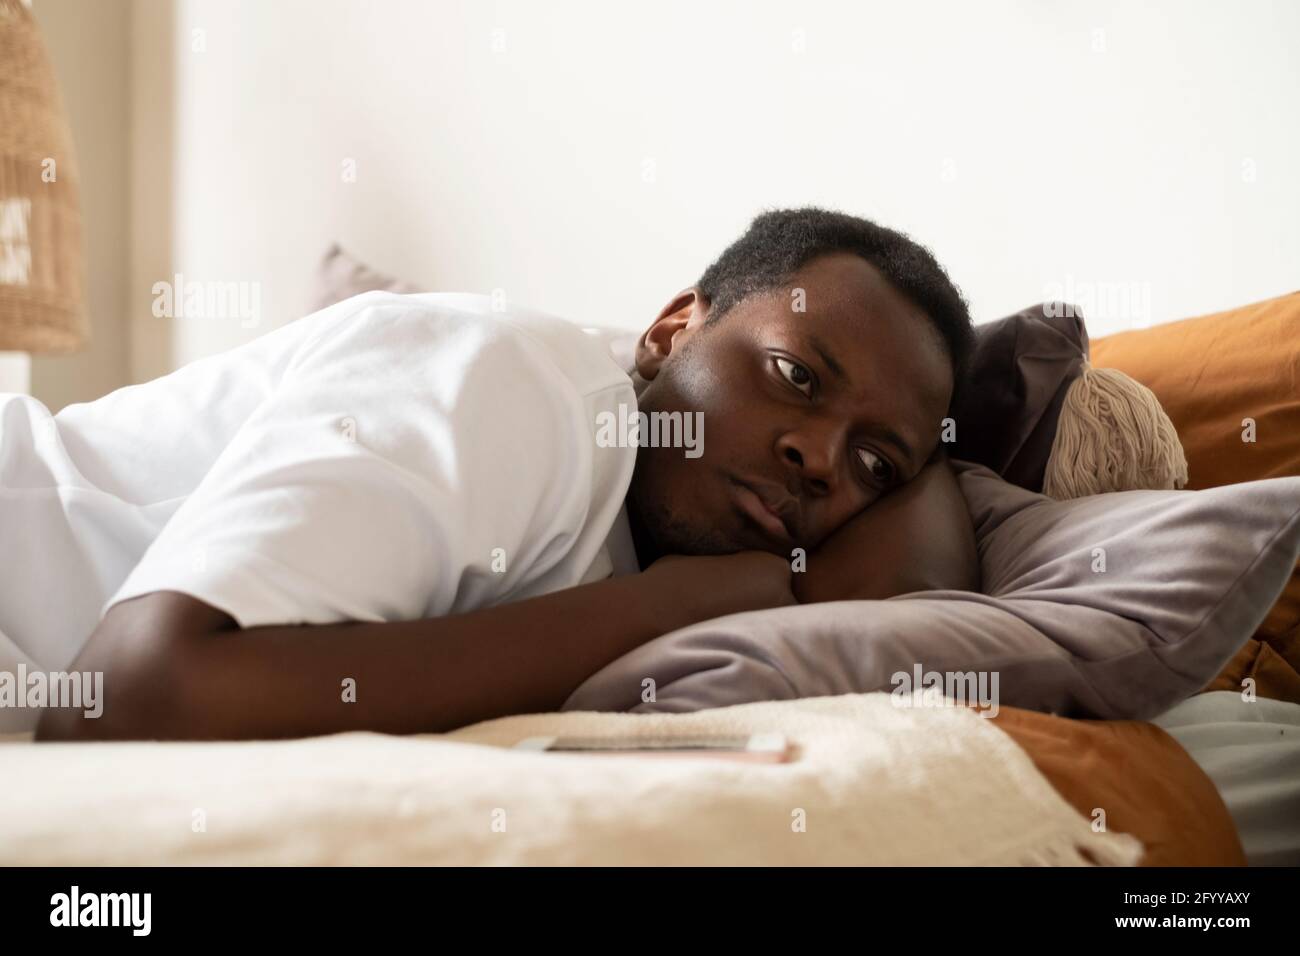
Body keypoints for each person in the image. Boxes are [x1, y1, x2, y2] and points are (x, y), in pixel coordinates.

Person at [17, 207, 978, 742]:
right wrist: (674, 607)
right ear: (672, 329)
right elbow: (130, 695)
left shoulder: (636, 529)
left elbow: (921, 567)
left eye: (873, 461)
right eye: (795, 375)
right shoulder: (520, 383)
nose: (818, 459)